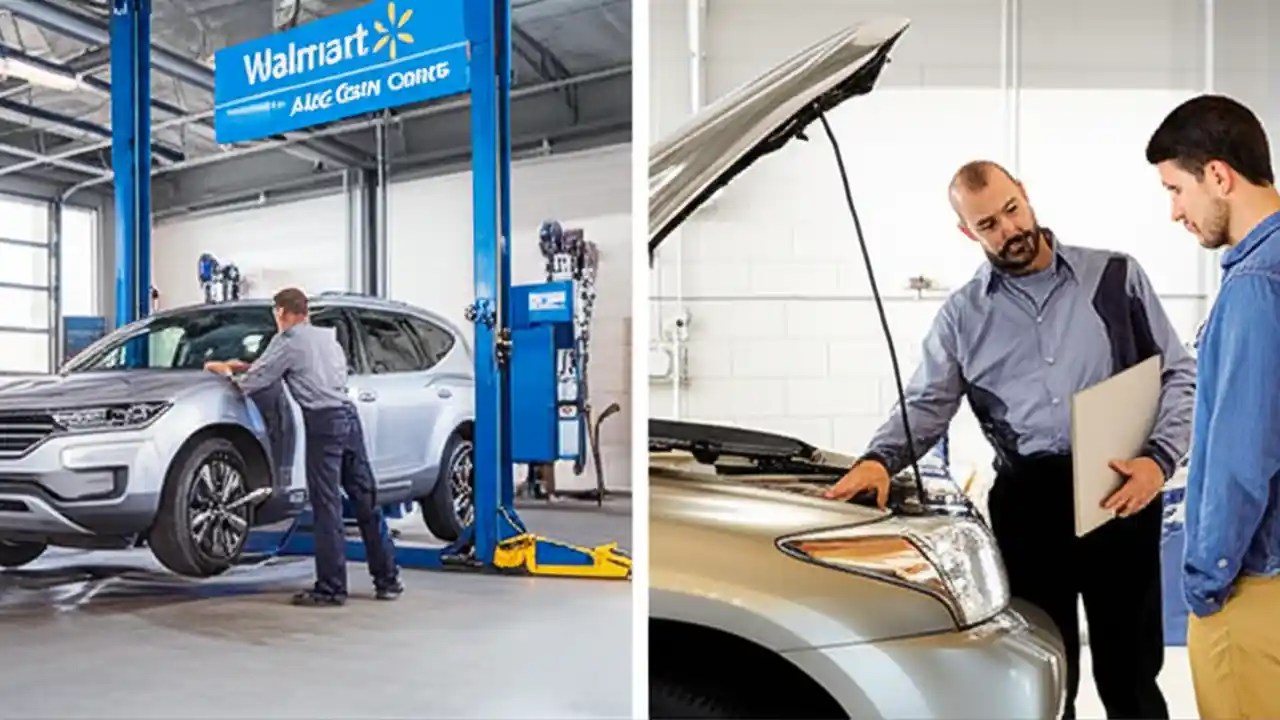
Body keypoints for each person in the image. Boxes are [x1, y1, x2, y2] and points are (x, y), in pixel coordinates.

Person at [824, 160, 1196, 719]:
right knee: (1043, 673)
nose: (1008, 230)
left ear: (1025, 195)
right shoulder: (962, 317)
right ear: (966, 232)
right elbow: (927, 403)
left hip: (1121, 488)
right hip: (1030, 504)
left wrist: (1159, 461)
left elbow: (1178, 374)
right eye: (987, 225)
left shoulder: (1115, 276)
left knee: (1130, 672)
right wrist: (880, 459)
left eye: (1010, 210)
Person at [1145, 94, 1280, 720]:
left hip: (1253, 590)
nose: (1174, 211)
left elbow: (1241, 455)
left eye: (1176, 189)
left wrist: (1204, 582)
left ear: (1219, 175)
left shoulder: (1256, 285)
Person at [204, 288, 402, 606]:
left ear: (281, 312)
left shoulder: (288, 342)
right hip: (349, 418)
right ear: (305, 312)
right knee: (366, 501)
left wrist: (225, 371)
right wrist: (250, 365)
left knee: (327, 508)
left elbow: (253, 383)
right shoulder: (327, 338)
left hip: (323, 425)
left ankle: (332, 588)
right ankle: (388, 579)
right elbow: (301, 370)